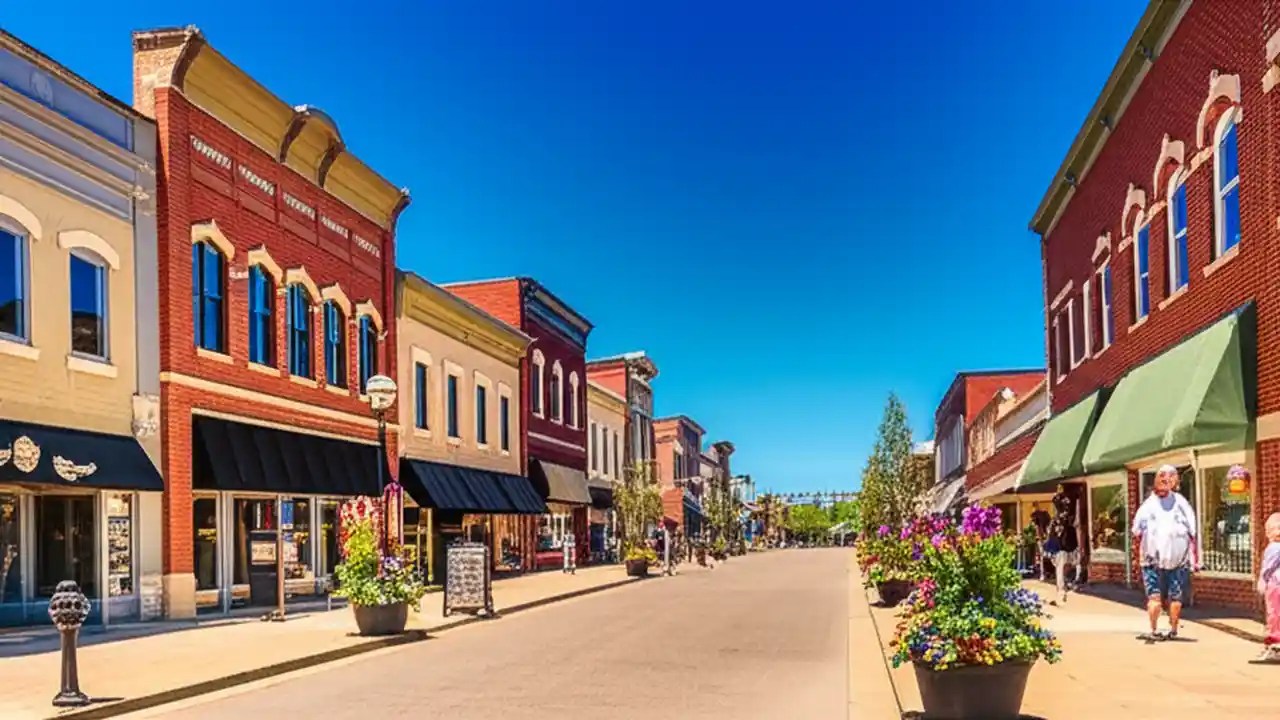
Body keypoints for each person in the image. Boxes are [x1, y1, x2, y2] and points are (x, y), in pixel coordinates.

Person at [1133, 465, 1199, 641]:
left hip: (1152, 558)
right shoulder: (1181, 502)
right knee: (1175, 595)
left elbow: (1136, 531)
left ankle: (1154, 631)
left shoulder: (1148, 506)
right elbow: (1193, 530)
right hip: (1177, 557)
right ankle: (1174, 630)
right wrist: (1194, 557)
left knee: (1154, 596)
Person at [1251, 513, 1280, 663]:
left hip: (1275, 584)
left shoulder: (1274, 548)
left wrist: (1262, 582)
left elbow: (1267, 569)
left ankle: (1275, 646)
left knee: (1274, 615)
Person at [1050, 484, 1084, 603]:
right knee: (1069, 560)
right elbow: (1077, 522)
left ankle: (1061, 586)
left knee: (1062, 562)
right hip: (1068, 535)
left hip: (1063, 535)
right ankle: (1064, 585)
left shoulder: (1057, 501)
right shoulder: (1072, 499)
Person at [1030, 503, 1052, 580]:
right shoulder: (1039, 515)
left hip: (1043, 537)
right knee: (1043, 555)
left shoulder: (1038, 515)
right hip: (1042, 537)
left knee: (1043, 555)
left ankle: (1044, 573)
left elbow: (1037, 527)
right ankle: (1044, 573)